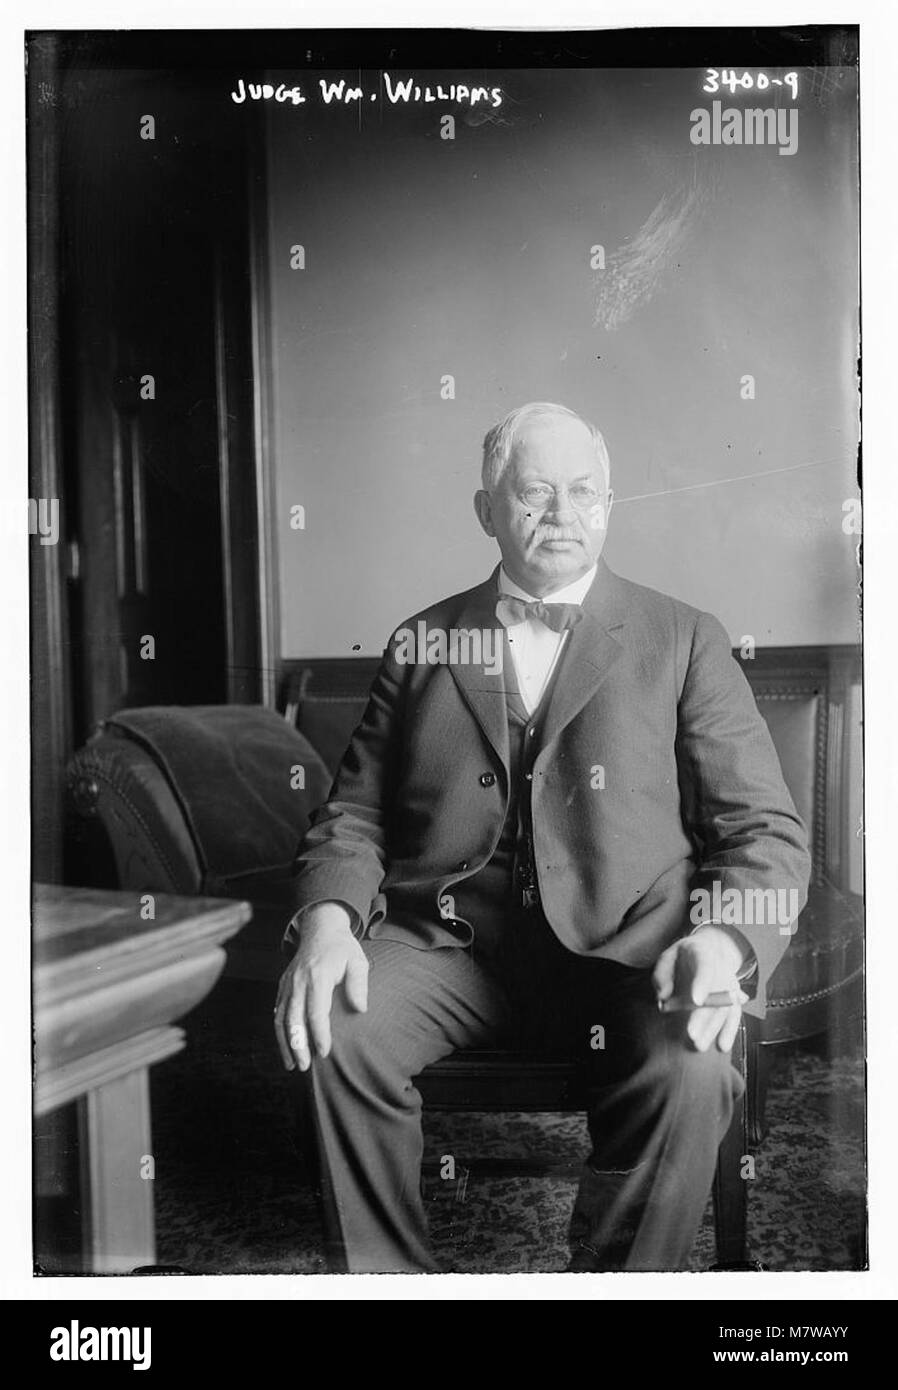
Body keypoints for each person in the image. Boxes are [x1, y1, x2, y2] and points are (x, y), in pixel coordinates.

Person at [274, 400, 811, 1273]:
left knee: (694, 1065)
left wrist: (724, 938)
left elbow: (762, 832)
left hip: (631, 951)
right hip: (451, 948)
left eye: (583, 492)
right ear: (486, 511)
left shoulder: (684, 638)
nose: (562, 513)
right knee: (334, 1017)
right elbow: (356, 816)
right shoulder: (422, 642)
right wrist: (328, 924)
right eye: (533, 493)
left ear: (609, 504)